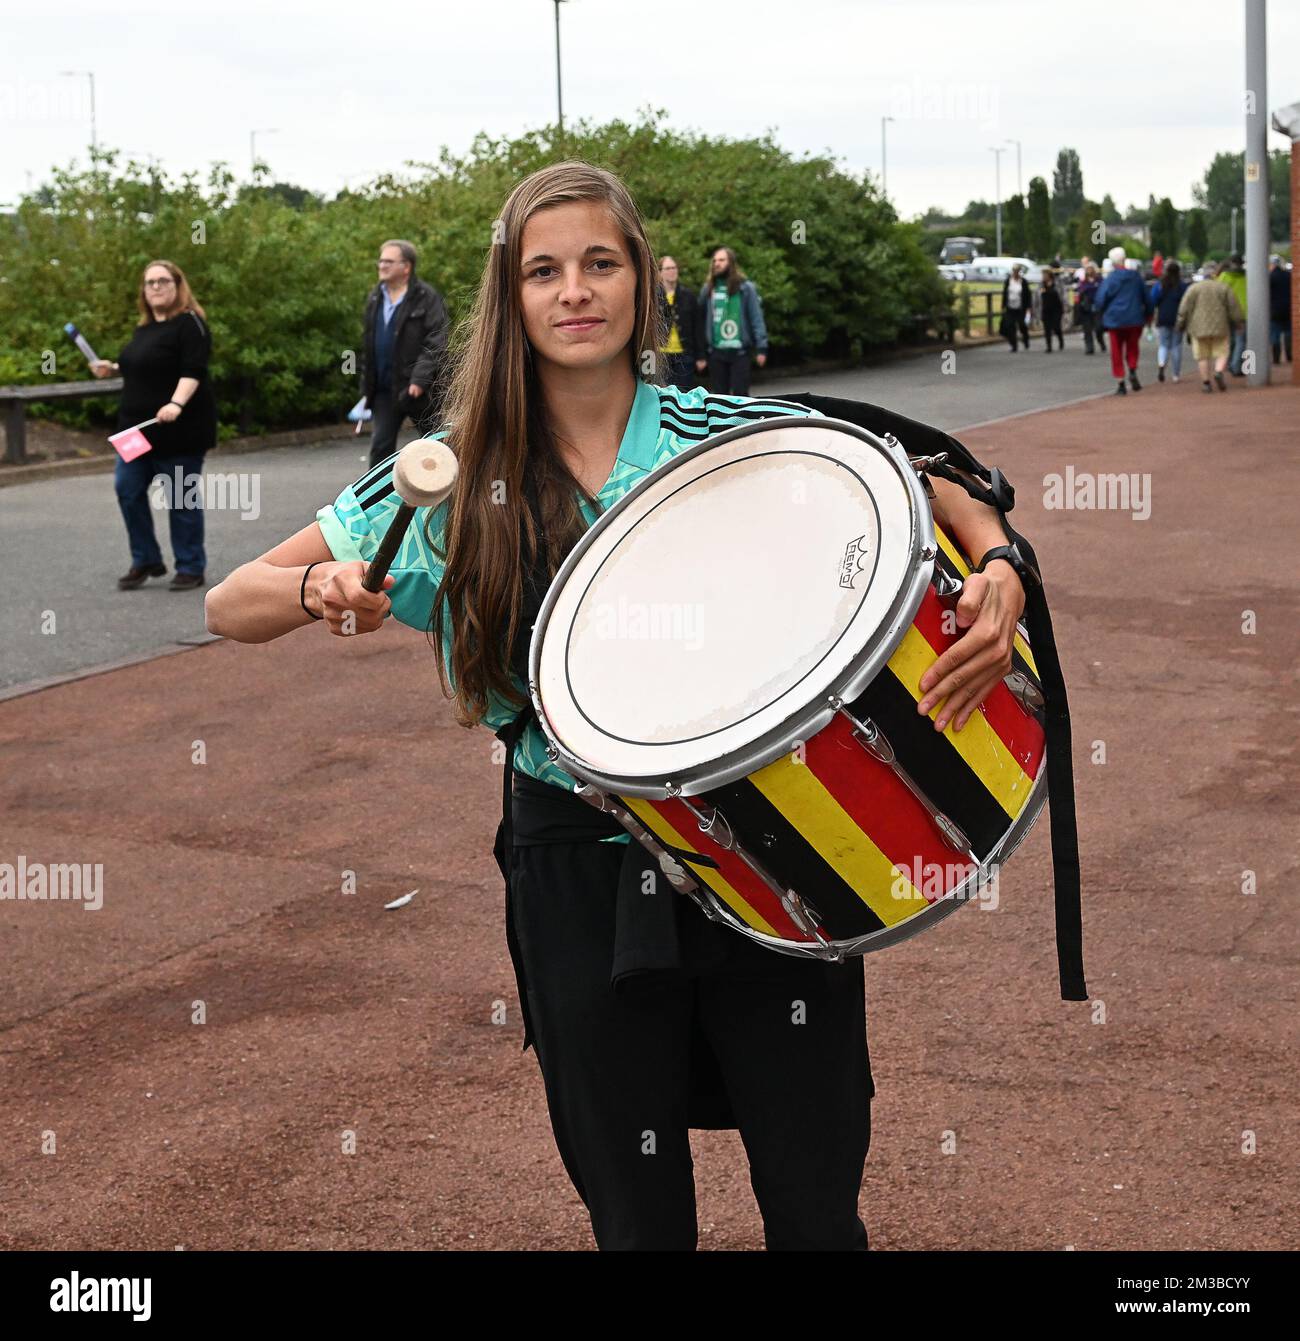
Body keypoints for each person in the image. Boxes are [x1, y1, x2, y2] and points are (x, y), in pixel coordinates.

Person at [204, 159, 1028, 1252]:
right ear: (513, 296)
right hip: (575, 860)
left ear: (641, 281)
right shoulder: (452, 477)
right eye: (544, 271)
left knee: (817, 1194)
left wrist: (1000, 562)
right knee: (636, 1220)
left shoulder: (716, 434)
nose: (574, 290)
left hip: (772, 834)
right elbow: (230, 603)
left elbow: (926, 478)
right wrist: (318, 588)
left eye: (600, 263)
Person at [91, 259, 217, 591]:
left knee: (180, 498)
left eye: (163, 281)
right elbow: (144, 365)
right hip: (135, 430)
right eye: (150, 283)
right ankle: (146, 558)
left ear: (178, 285)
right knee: (127, 489)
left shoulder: (190, 324)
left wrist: (176, 403)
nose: (156, 287)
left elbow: (193, 370)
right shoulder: (144, 329)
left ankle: (191, 565)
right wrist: (114, 367)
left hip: (180, 431)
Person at [361, 240, 450, 468]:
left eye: (388, 261)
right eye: (381, 260)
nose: (382, 265)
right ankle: (375, 502)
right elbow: (368, 343)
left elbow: (437, 339)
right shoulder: (375, 298)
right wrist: (366, 388)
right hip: (384, 391)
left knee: (436, 445)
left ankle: (447, 495)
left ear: (406, 267)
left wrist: (420, 378)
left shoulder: (427, 297)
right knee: (380, 447)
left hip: (419, 389)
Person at [695, 246, 767, 393]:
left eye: (721, 260)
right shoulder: (708, 289)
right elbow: (699, 321)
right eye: (715, 260)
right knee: (720, 400)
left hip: (740, 352)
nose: (717, 263)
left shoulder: (746, 288)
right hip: (716, 353)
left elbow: (756, 317)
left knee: (741, 397)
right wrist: (701, 353)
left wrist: (761, 347)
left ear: (731, 263)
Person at [1176, 260, 1243, 393]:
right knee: (1222, 353)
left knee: (1202, 356)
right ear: (1215, 274)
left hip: (1198, 328)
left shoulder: (1193, 289)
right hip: (1220, 327)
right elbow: (1233, 307)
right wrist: (1238, 322)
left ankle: (1206, 383)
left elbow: (1184, 308)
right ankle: (1218, 372)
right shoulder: (1223, 287)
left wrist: (1180, 324)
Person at [1094, 245, 1153, 394]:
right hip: (1134, 318)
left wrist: (1100, 312)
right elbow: (1147, 297)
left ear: (1112, 263)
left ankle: (1120, 382)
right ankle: (1132, 369)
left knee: (1116, 351)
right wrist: (1148, 314)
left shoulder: (1110, 279)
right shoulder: (1135, 277)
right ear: (1125, 260)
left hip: (1115, 319)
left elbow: (1100, 299)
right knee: (1133, 347)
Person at [657, 255, 700, 390]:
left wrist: (701, 355)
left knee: (684, 395)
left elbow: (697, 326)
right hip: (660, 356)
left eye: (674, 268)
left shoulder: (688, 296)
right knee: (660, 395)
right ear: (660, 272)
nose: (672, 271)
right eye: (668, 268)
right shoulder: (653, 296)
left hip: (684, 354)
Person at [1150, 260, 1189, 383]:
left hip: (1163, 317)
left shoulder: (1160, 284)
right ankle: (1176, 375)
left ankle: (1162, 364)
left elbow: (1153, 300)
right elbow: (1187, 302)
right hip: (1178, 318)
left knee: (1163, 344)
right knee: (1176, 346)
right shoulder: (1182, 286)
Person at [1217, 253, 1248, 376]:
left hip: (1228, 312)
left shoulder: (1225, 276)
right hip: (1244, 312)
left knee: (1231, 340)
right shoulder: (1247, 276)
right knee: (1241, 340)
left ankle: (1230, 364)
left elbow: (1219, 292)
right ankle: (1237, 366)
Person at [1075, 262, 1105, 355]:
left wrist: (1090, 288)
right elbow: (1081, 291)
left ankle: (1101, 341)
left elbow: (1102, 290)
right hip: (1086, 308)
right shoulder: (1083, 282)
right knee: (1087, 329)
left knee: (1098, 328)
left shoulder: (1100, 280)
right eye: (1087, 269)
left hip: (1097, 307)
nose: (1089, 271)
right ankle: (1089, 347)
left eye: (1091, 269)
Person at [1000, 264, 1031, 351]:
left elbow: (1028, 295)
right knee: (1010, 326)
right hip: (1010, 308)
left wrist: (1029, 307)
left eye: (1017, 271)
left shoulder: (1023, 282)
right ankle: (1014, 345)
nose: (1015, 273)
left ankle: (1025, 339)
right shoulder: (1008, 281)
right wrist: (1003, 306)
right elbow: (1005, 294)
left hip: (1020, 308)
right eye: (1014, 271)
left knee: (1022, 325)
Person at [1268, 254, 1292, 364]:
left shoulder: (1270, 277)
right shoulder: (1288, 275)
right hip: (1288, 308)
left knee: (1275, 335)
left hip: (1274, 310)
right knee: (1288, 333)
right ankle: (1289, 355)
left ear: (1272, 264)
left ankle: (1276, 358)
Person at [1039, 268, 1064, 352]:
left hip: (1056, 309)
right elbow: (1037, 297)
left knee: (1056, 327)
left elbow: (1063, 295)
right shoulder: (1041, 285)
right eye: (1043, 275)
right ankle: (1049, 346)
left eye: (1045, 275)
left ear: (1049, 276)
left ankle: (1060, 339)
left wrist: (1065, 305)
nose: (1044, 277)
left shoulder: (1057, 283)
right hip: (1045, 309)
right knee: (1047, 328)